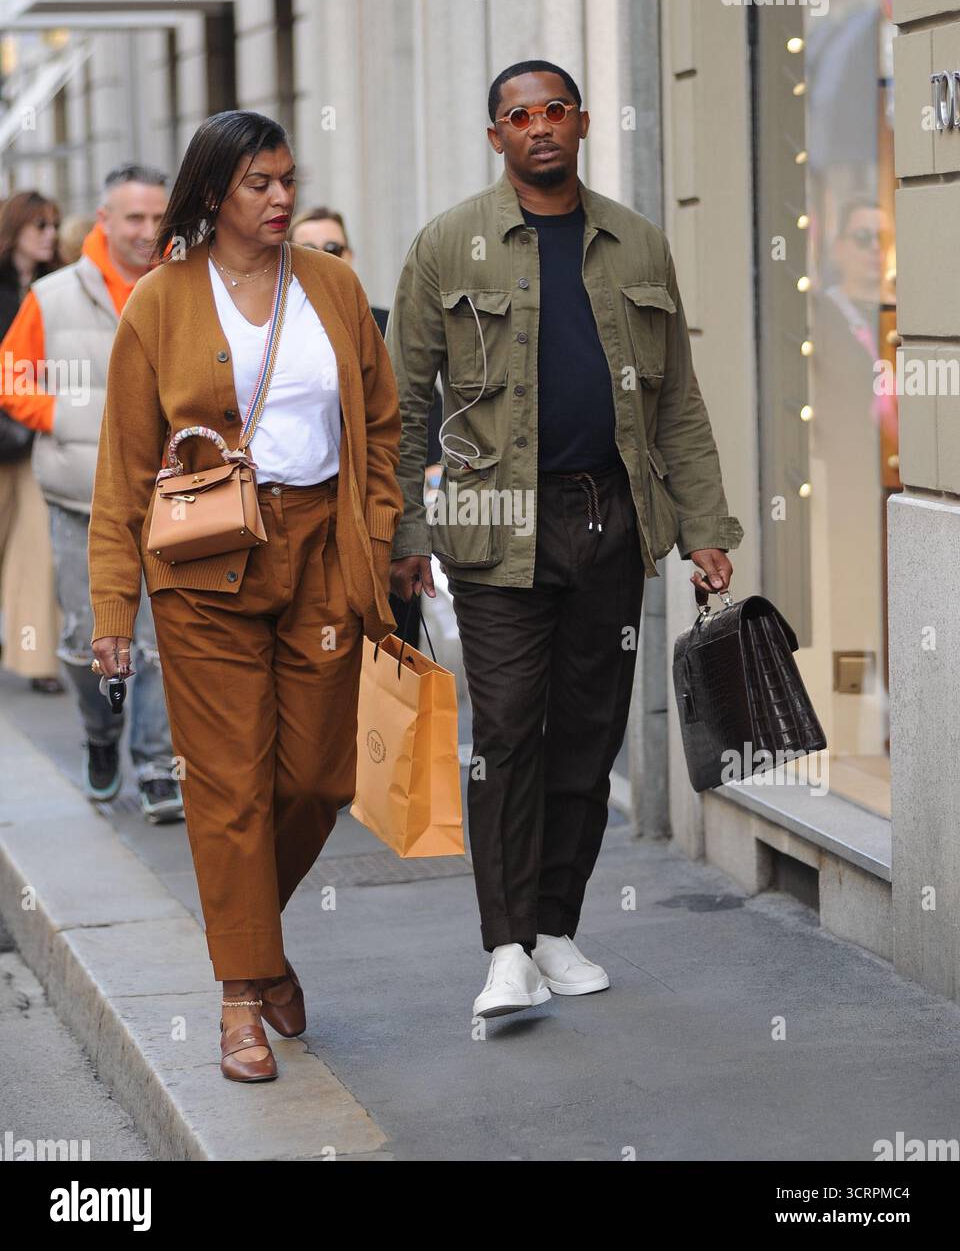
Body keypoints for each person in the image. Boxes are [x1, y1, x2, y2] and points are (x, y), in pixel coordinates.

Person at [387, 59, 744, 1018]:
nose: (538, 126)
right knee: (507, 732)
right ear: (495, 133)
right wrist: (406, 529)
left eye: (554, 110)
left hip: (610, 516)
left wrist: (706, 526)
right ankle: (504, 947)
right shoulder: (446, 245)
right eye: (518, 114)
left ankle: (554, 927)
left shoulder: (637, 245)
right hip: (489, 521)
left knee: (590, 731)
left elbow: (679, 407)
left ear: (582, 123)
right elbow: (400, 408)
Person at [87, 110, 403, 1082]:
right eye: (260, 183)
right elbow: (123, 472)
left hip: (318, 558)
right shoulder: (160, 302)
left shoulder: (336, 289)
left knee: (316, 778)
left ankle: (251, 944)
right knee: (225, 786)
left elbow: (384, 426)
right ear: (214, 192)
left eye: (287, 180)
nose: (280, 198)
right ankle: (240, 998)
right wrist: (110, 612)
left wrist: (378, 534)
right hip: (203, 571)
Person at [0, 165, 184, 824]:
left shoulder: (187, 285)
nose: (146, 230)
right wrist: (70, 418)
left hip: (170, 500)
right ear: (104, 221)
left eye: (156, 216)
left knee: (160, 639)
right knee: (86, 643)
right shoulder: (52, 296)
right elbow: (11, 377)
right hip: (79, 501)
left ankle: (158, 764)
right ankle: (101, 737)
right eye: (132, 217)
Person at [291, 206, 444, 648]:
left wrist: (430, 476)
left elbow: (422, 409)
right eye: (308, 249)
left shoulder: (384, 326)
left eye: (333, 248)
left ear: (351, 255)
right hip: (309, 530)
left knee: (393, 661)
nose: (323, 256)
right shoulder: (276, 334)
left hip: (382, 526)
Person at [0, 191, 65, 695]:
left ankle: (37, 658)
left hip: (40, 435)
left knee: (36, 551)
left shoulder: (58, 287)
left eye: (53, 225)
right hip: (4, 436)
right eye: (39, 225)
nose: (49, 234)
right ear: (16, 227)